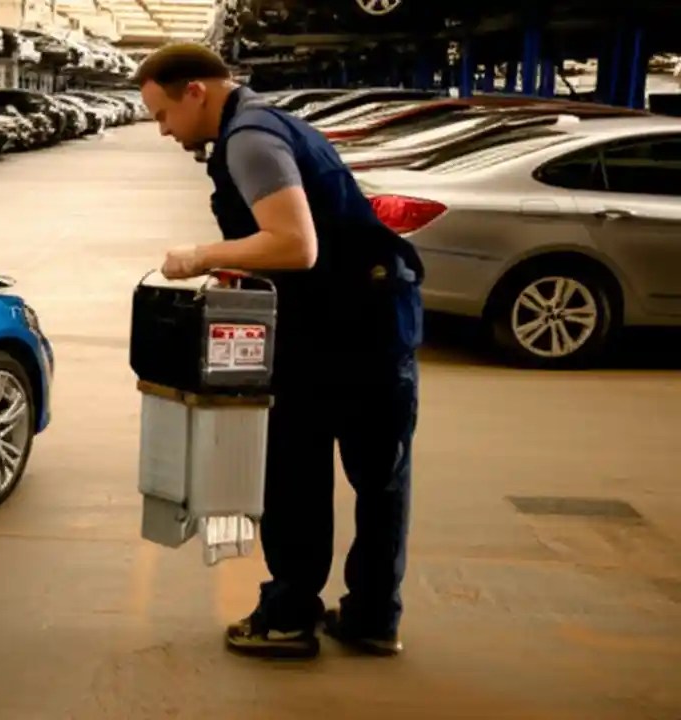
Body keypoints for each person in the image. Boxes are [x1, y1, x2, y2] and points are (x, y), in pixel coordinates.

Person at [134, 43, 425, 659]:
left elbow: (296, 245)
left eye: (162, 115)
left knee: (297, 472)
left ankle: (291, 615)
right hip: (374, 321)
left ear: (196, 92)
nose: (163, 131)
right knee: (381, 481)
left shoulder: (248, 138)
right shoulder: (266, 123)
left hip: (337, 332)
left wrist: (203, 255)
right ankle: (374, 618)